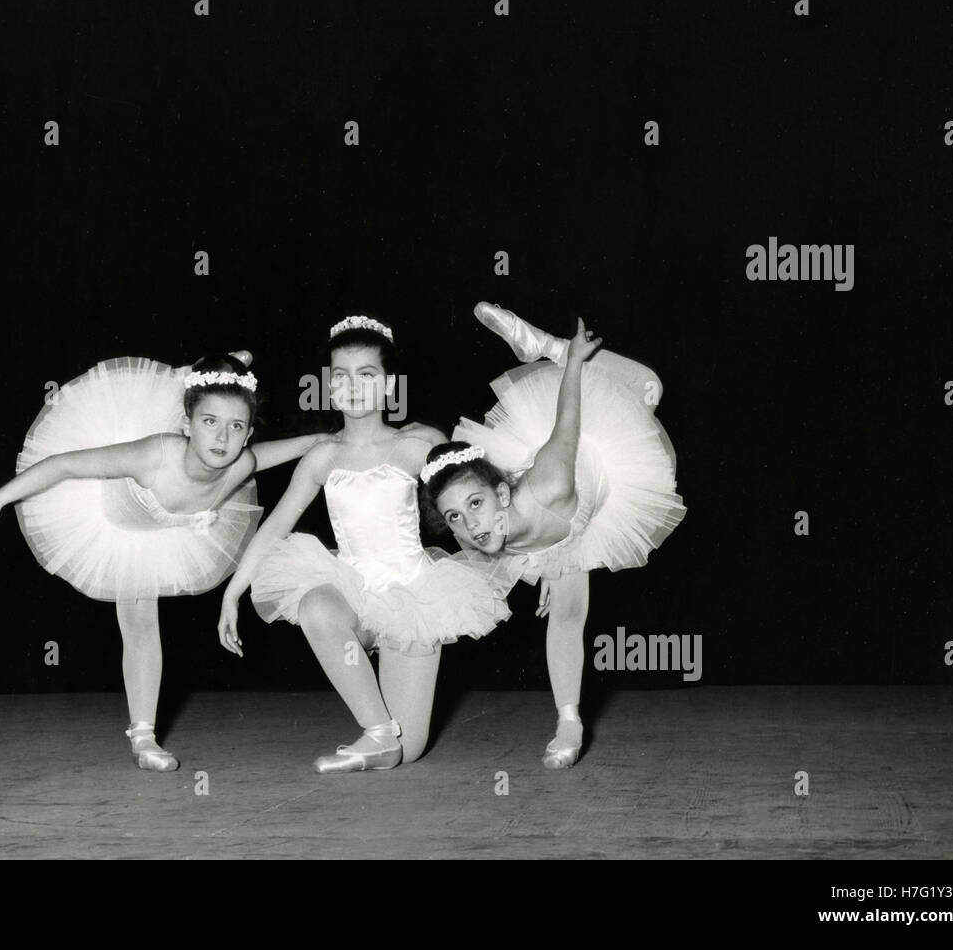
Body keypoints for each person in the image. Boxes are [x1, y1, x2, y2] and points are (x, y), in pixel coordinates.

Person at [0, 352, 326, 771]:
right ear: (186, 425)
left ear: (246, 435)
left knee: (142, 626)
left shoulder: (240, 461)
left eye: (235, 427)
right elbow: (63, 464)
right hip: (105, 513)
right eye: (210, 422)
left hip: (161, 533)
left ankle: (145, 740)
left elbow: (273, 453)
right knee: (138, 622)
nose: (222, 438)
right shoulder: (153, 453)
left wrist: (319, 441)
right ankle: (191, 372)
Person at [218, 315, 511, 773]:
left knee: (407, 750)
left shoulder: (420, 444)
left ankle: (389, 739)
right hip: (350, 589)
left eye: (367, 375)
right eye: (341, 377)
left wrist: (531, 557)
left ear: (390, 385)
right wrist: (233, 592)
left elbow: (472, 508)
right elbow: (275, 526)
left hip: (411, 597)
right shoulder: (323, 457)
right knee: (315, 603)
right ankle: (375, 731)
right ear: (329, 386)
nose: (353, 387)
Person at [420, 303, 686, 768]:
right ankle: (569, 722)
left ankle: (548, 346)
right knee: (566, 614)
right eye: (456, 517)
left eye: (476, 505)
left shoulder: (552, 483)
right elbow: (500, 547)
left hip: (597, 458)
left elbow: (567, 419)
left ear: (501, 493)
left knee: (648, 388)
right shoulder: (472, 535)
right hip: (556, 530)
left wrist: (573, 360)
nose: (471, 526)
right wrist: (541, 562)